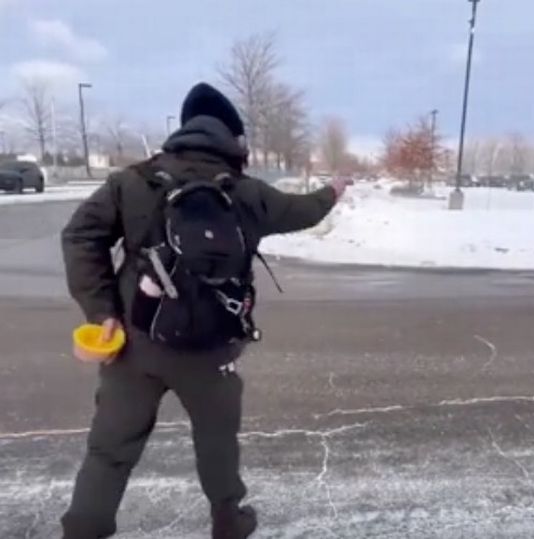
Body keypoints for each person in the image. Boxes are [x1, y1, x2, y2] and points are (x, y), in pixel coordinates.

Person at [60, 82, 348, 539]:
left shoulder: (131, 182)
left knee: (110, 449)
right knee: (216, 441)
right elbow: (305, 210)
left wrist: (101, 311)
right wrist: (333, 191)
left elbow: (79, 237)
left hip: (136, 343)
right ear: (233, 142)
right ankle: (229, 522)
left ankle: (83, 529)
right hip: (213, 349)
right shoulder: (250, 193)